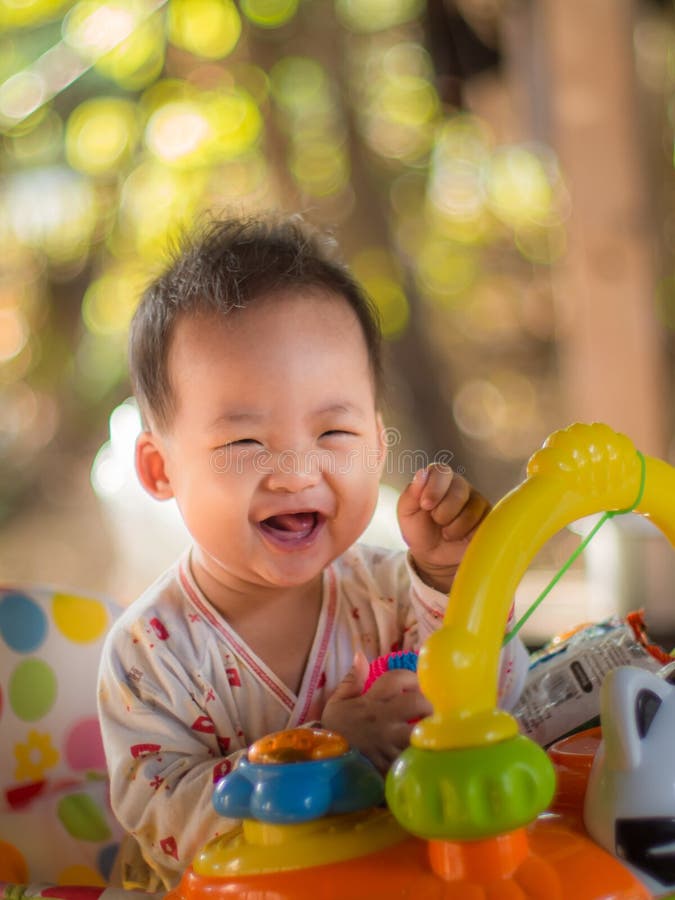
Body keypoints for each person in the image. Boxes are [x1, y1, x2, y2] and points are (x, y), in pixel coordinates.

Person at [97, 213, 529, 890]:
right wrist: (323, 751)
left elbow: (498, 703)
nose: (296, 473)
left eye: (333, 432)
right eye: (244, 443)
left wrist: (451, 582)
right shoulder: (150, 652)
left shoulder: (396, 592)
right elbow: (165, 822)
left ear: (378, 448)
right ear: (160, 469)